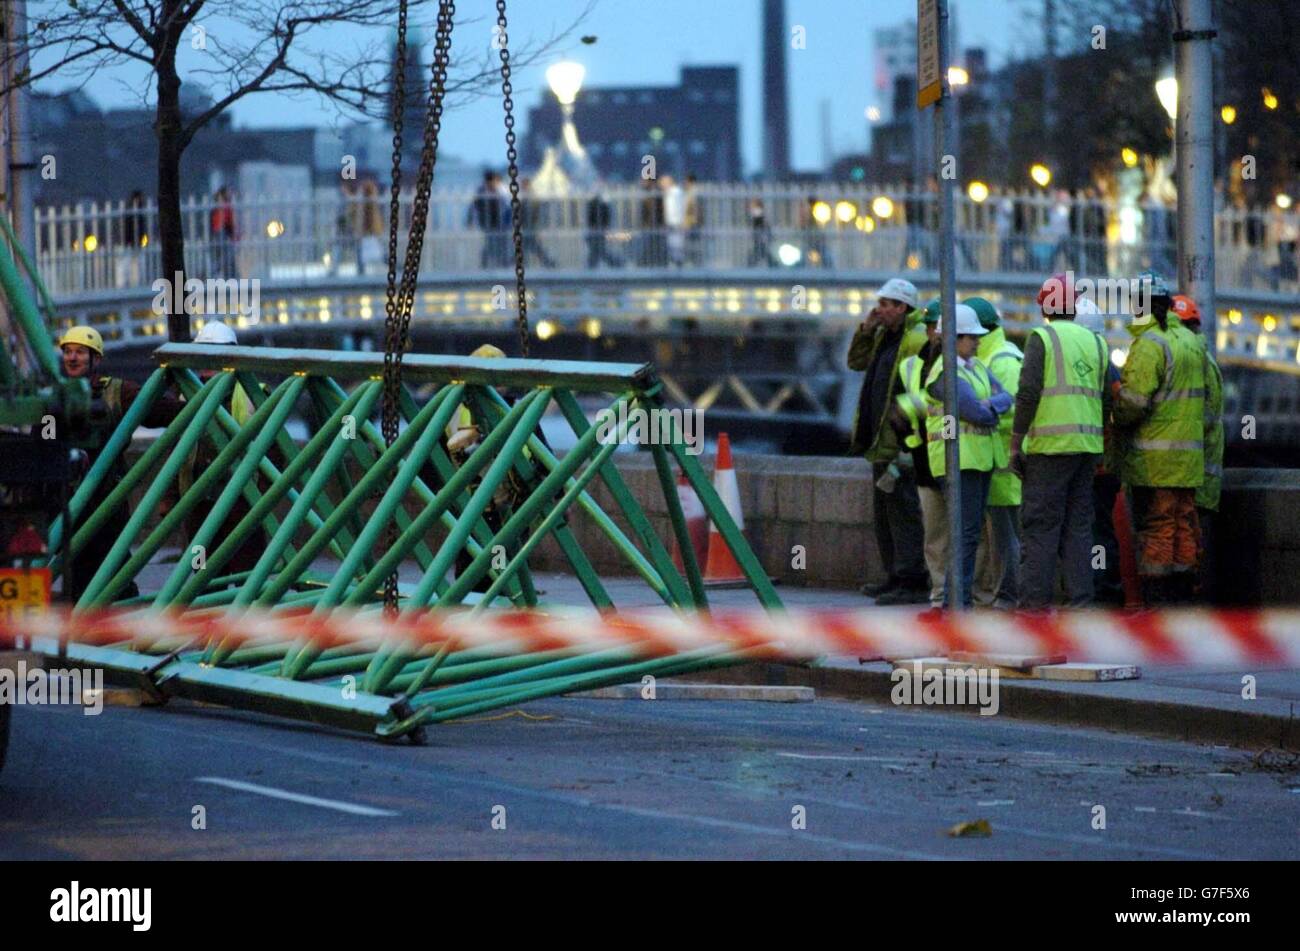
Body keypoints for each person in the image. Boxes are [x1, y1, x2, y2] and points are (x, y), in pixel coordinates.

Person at [55, 326, 182, 602]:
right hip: (66, 499)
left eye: (79, 352)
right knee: (76, 572)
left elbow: (163, 411)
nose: (72, 358)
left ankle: (123, 620)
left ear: (95, 359)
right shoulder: (54, 396)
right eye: (68, 352)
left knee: (113, 567)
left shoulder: (117, 392)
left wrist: (182, 393)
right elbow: (42, 437)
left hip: (106, 499)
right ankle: (85, 627)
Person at [1009, 273, 1109, 609]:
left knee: (1040, 527)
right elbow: (1106, 398)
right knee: (1079, 528)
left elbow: (1027, 393)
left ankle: (1033, 609)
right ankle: (1080, 604)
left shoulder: (1043, 337)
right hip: (1087, 449)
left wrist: (1015, 442)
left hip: (1051, 449)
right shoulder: (1097, 343)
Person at [1112, 271, 1205, 605]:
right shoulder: (1191, 343)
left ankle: (1157, 602)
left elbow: (1134, 402)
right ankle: (1184, 598)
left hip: (1156, 459)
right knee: (1183, 524)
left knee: (1159, 527)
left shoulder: (1151, 343)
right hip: (1189, 458)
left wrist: (1114, 414)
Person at [922, 303, 1012, 608]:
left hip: (978, 460)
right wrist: (989, 408)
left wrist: (988, 406)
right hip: (958, 462)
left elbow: (1006, 397)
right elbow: (974, 411)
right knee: (964, 537)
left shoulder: (973, 367)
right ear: (953, 338)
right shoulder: (945, 372)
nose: (978, 341)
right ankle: (956, 607)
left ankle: (956, 605)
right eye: (971, 337)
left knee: (968, 536)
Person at [847, 277, 930, 603]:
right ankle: (893, 575)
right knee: (884, 513)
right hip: (879, 441)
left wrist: (906, 438)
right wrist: (866, 329)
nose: (879, 309)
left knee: (904, 511)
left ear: (902, 307)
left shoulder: (915, 339)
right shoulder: (884, 335)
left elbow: (924, 390)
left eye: (885, 304)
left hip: (902, 443)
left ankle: (911, 581)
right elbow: (855, 362)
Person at [176, 321, 264, 578]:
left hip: (241, 505)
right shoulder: (187, 396)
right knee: (203, 578)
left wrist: (261, 497)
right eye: (202, 354)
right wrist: (170, 499)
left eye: (212, 354)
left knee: (243, 576)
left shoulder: (251, 394)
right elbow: (177, 452)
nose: (206, 363)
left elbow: (273, 451)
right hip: (200, 504)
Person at [965, 296, 1023, 608]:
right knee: (994, 539)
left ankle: (1008, 598)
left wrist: (983, 413)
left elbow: (1015, 409)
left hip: (1005, 465)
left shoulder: (1002, 360)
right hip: (992, 463)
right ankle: (996, 595)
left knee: (1005, 539)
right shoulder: (986, 360)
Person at [888, 298, 945, 607]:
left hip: (956, 462)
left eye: (941, 326)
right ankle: (939, 598)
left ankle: (967, 600)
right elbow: (897, 412)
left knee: (966, 538)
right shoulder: (910, 365)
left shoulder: (959, 364)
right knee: (935, 538)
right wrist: (910, 446)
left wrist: (915, 406)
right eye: (933, 326)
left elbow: (946, 402)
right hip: (925, 462)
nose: (936, 332)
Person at [1171, 293, 1223, 598]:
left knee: (1189, 543)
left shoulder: (1193, 361)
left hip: (1192, 470)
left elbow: (1195, 419)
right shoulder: (1204, 359)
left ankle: (1186, 605)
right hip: (1201, 470)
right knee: (1193, 541)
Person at [1075, 296, 1125, 605]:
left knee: (1096, 532)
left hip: (1096, 462)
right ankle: (1103, 586)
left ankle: (1102, 587)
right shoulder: (1107, 362)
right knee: (1097, 530)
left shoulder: (1093, 362)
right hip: (1102, 460)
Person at [469, 171, 510, 268]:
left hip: (497, 220)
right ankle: (487, 263)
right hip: (487, 221)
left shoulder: (496, 190)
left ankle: (501, 262)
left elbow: (504, 204)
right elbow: (474, 205)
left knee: (500, 242)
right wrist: (470, 220)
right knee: (491, 242)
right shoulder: (482, 191)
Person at [519, 177, 556, 268]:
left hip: (531, 228)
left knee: (533, 247)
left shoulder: (531, 198)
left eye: (524, 185)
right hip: (528, 228)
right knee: (530, 248)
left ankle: (548, 262)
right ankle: (548, 262)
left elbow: (535, 214)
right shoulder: (529, 197)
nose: (522, 187)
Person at [585, 185, 621, 269]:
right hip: (600, 231)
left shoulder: (592, 204)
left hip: (594, 231)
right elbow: (606, 218)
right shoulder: (603, 204)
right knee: (599, 251)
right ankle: (615, 263)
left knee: (597, 251)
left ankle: (591, 267)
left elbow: (590, 218)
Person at [209, 186, 238, 279]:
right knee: (225, 259)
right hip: (221, 234)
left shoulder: (223, 207)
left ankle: (226, 276)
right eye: (227, 192)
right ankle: (228, 277)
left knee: (224, 260)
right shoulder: (222, 207)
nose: (229, 194)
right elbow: (226, 222)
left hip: (222, 234)